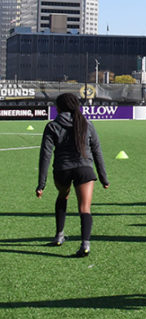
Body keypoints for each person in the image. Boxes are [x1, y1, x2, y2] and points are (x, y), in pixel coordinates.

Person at [36, 93, 110, 257]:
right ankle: (85, 245)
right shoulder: (87, 124)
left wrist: (41, 184)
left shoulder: (52, 126)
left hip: (62, 170)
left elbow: (45, 156)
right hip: (84, 169)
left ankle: (59, 236)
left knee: (63, 196)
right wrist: (104, 178)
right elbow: (97, 152)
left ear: (59, 107)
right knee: (85, 208)